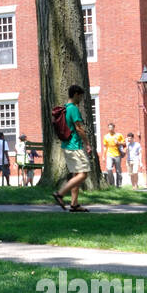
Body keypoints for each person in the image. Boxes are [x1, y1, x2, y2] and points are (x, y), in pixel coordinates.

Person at [53, 84, 92, 212]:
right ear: (76, 94)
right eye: (80, 96)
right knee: (83, 174)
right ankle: (60, 194)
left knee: (76, 174)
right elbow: (79, 128)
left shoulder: (65, 108)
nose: (81, 99)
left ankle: (74, 205)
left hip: (67, 146)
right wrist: (87, 144)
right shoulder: (73, 109)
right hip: (74, 146)